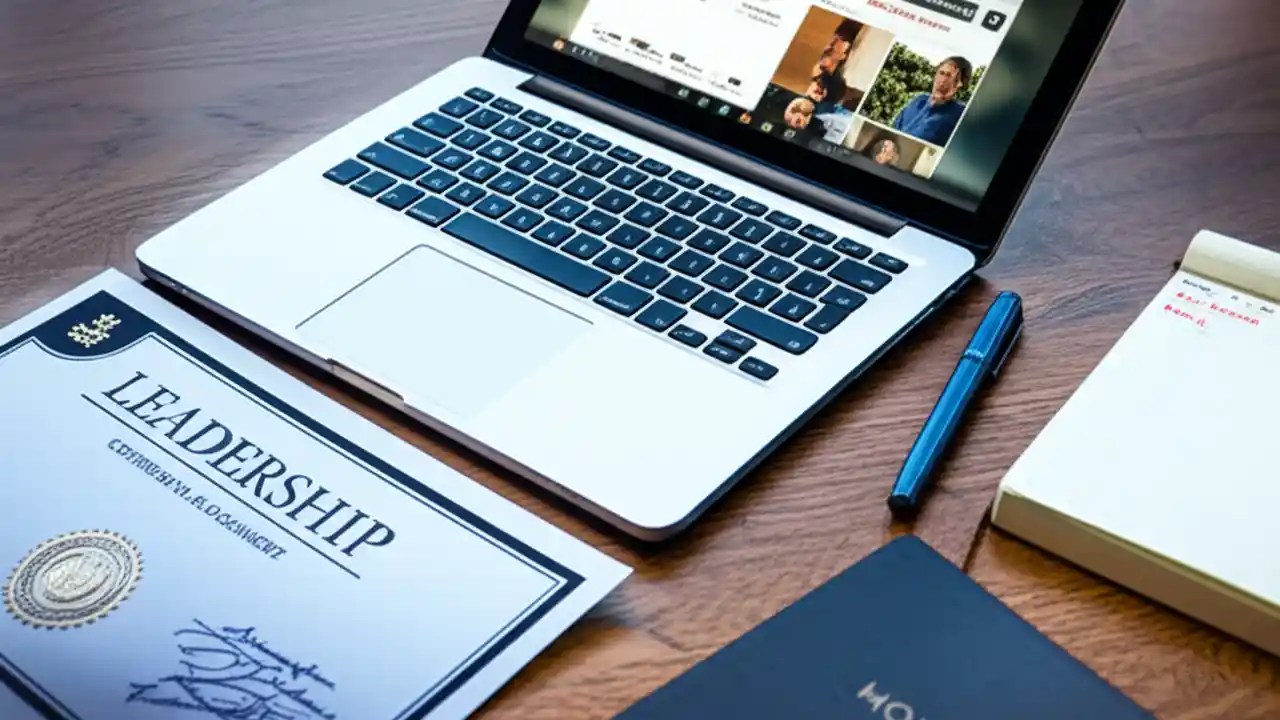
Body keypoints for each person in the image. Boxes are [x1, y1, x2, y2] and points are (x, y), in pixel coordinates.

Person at [891, 56, 972, 146]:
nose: (942, 80)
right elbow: (895, 134)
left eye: (949, 76)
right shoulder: (919, 100)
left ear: (960, 84)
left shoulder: (961, 114)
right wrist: (929, 105)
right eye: (941, 73)